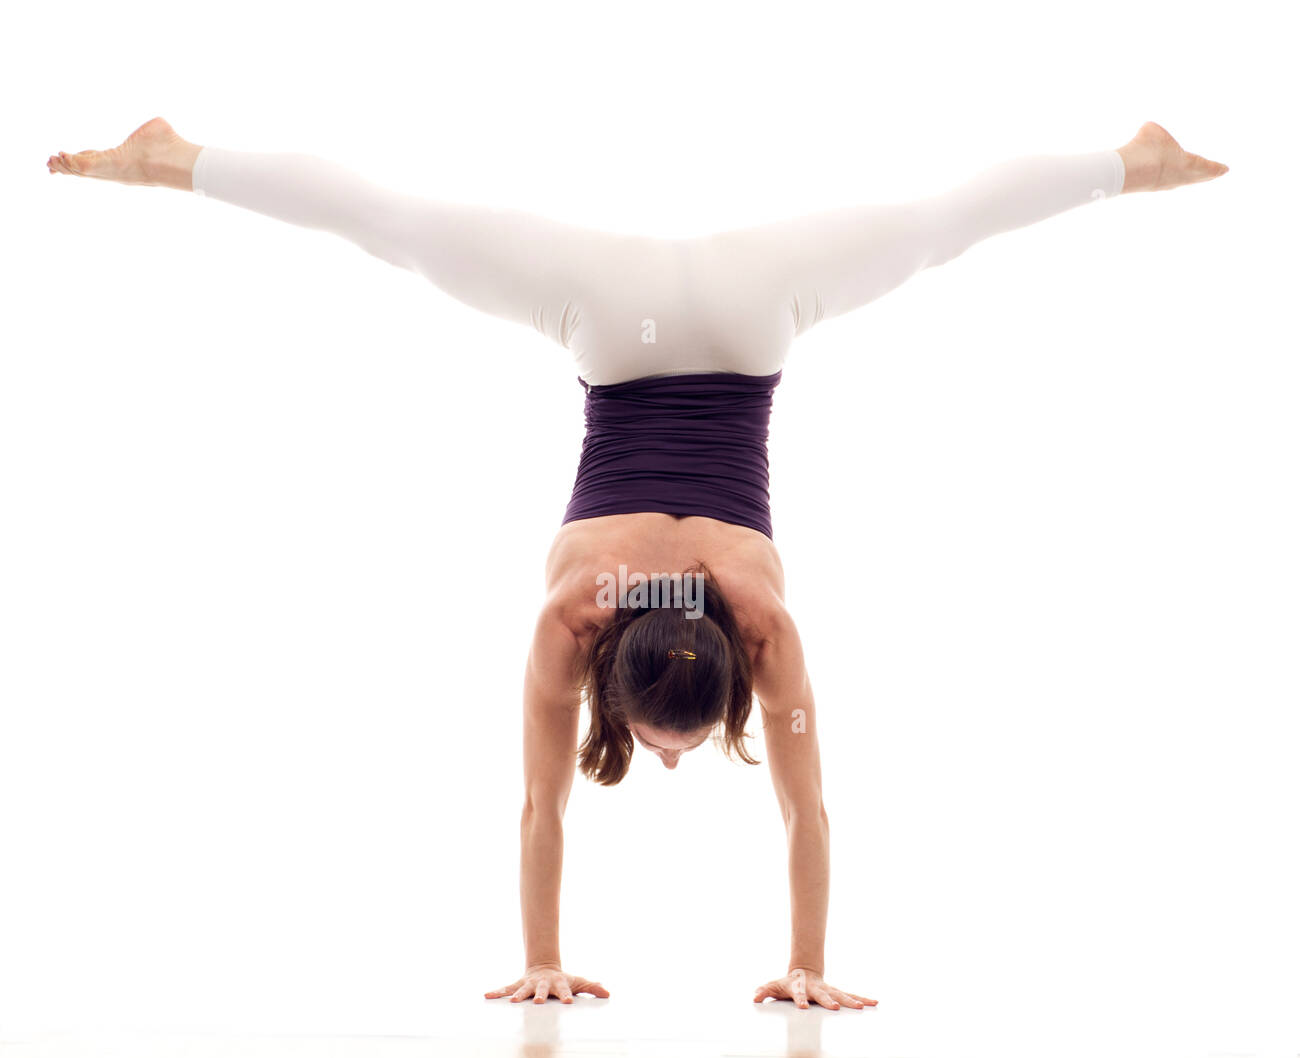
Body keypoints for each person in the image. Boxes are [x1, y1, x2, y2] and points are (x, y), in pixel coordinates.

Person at [48, 118, 1228, 1010]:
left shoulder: (757, 624)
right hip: (615, 322)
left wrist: (772, 963)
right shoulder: (575, 622)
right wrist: (555, 963)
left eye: (660, 749)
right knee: (399, 230)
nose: (668, 764)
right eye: (680, 749)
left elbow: (803, 808)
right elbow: (545, 806)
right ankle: (1131, 159)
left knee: (927, 231)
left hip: (744, 317)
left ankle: (1133, 160)